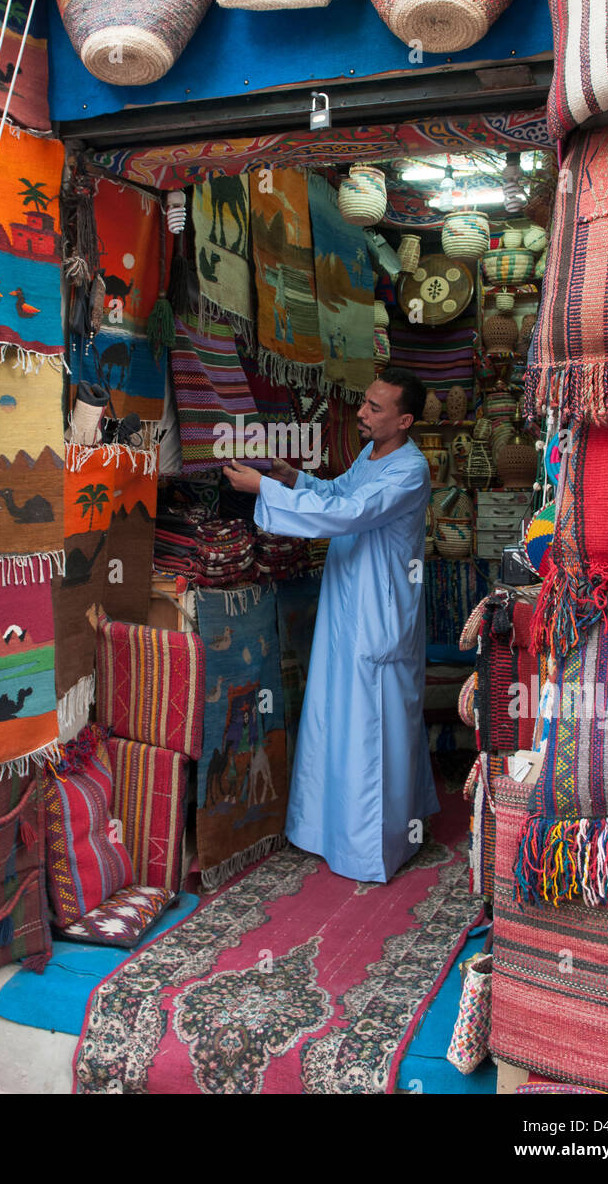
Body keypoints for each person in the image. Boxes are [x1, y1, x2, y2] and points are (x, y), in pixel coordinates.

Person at [222, 367, 439, 883]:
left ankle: (374, 847)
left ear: (404, 420)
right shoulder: (371, 455)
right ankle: (330, 831)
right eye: (364, 403)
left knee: (373, 725)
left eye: (375, 408)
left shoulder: (410, 471)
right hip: (347, 602)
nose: (362, 413)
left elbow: (349, 513)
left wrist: (264, 493)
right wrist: (291, 478)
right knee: (337, 716)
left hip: (379, 611)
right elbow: (340, 491)